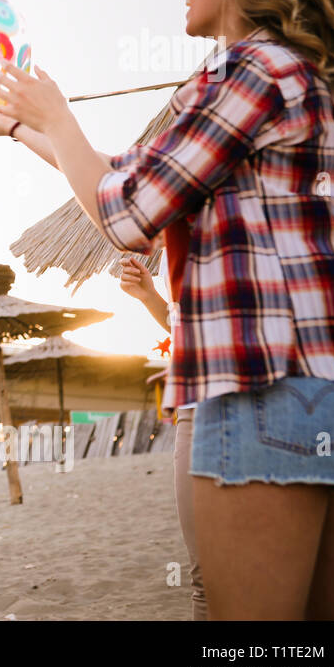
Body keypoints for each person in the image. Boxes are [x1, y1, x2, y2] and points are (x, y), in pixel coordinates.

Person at [0, 0, 334, 620]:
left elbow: (126, 213)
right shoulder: (304, 78)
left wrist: (57, 115)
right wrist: (24, 127)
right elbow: (122, 173)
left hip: (264, 386)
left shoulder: (245, 68)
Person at [118, 253, 206, 620]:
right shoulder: (172, 230)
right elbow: (185, 327)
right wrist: (150, 296)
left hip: (273, 393)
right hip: (197, 402)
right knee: (205, 574)